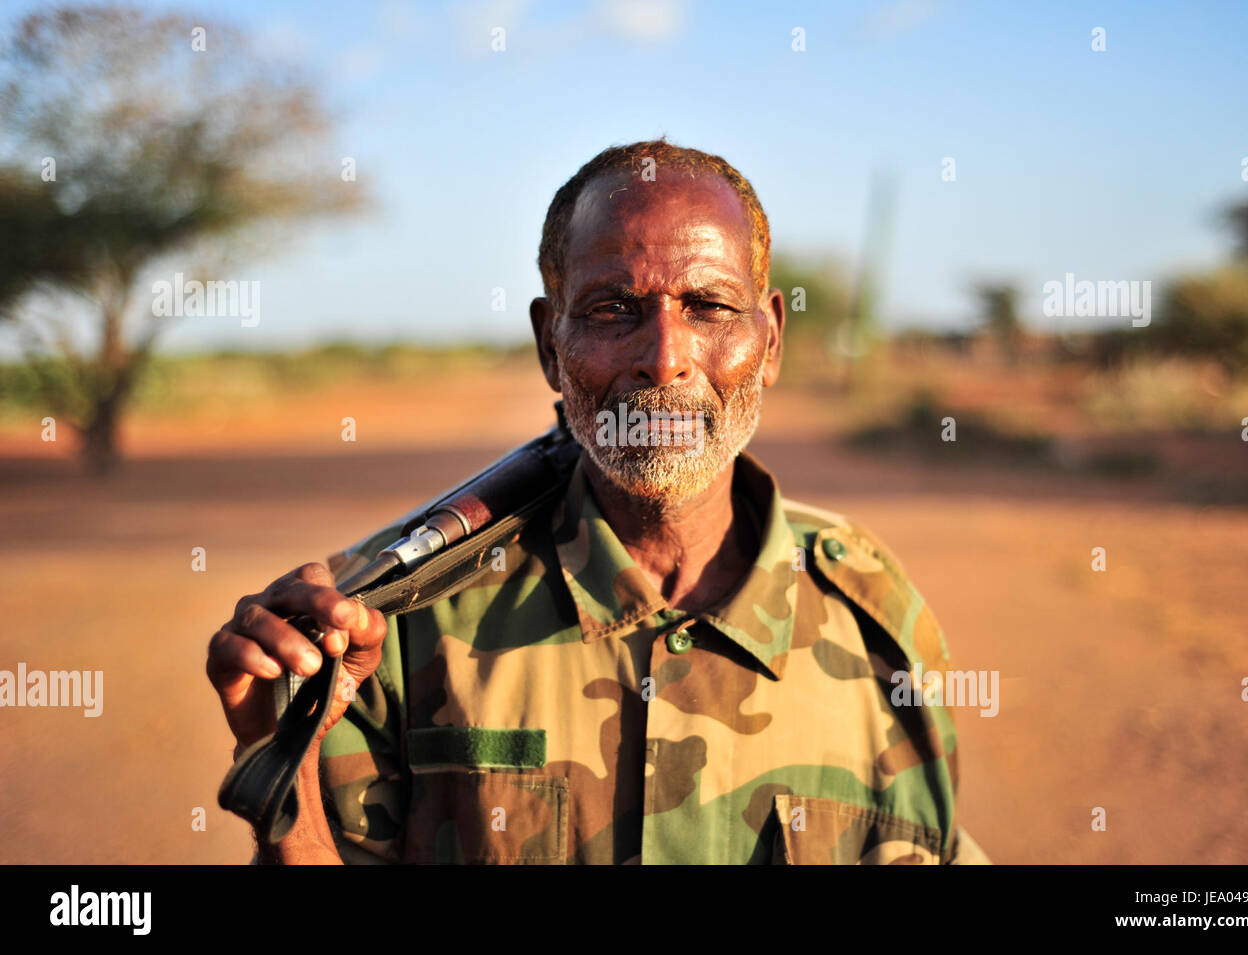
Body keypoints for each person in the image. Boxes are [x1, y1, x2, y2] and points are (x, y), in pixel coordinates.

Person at [206, 138, 991, 865]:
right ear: (552, 345)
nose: (664, 359)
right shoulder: (388, 623)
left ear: (771, 338)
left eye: (709, 307)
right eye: (614, 310)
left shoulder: (876, 620)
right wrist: (287, 761)